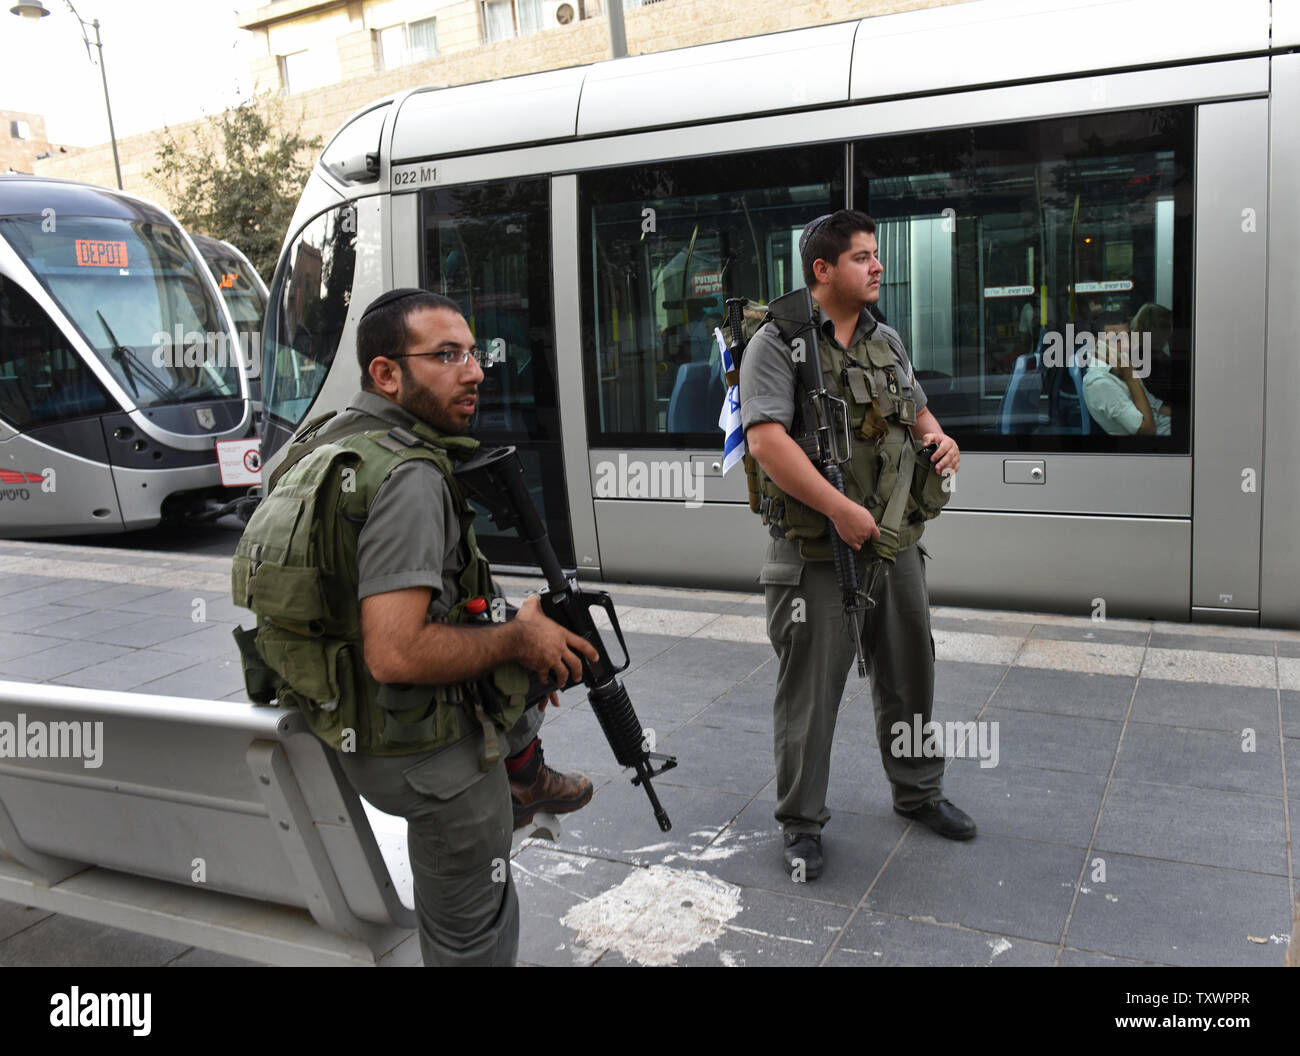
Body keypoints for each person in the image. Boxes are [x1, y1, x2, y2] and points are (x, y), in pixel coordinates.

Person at [255, 289, 599, 965]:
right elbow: (396, 650)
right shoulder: (407, 473)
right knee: (473, 936)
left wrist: (508, 646)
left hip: (339, 720)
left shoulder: (320, 444)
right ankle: (521, 778)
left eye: (473, 354)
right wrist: (519, 641)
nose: (474, 372)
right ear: (387, 374)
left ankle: (525, 774)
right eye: (446, 356)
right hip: (424, 758)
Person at [738, 211, 976, 881]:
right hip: (818, 553)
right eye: (862, 257)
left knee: (910, 676)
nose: (876, 266)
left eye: (875, 255)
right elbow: (767, 442)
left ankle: (919, 791)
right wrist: (839, 509)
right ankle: (802, 825)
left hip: (893, 544)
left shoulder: (886, 339)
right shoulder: (779, 342)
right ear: (823, 270)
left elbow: (917, 412)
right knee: (811, 694)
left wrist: (943, 439)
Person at [1081, 312, 1172, 436]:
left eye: (1127, 337)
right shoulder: (1099, 383)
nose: (1126, 345)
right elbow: (1148, 431)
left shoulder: (1122, 366)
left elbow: (1157, 407)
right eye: (1117, 339)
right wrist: (1131, 378)